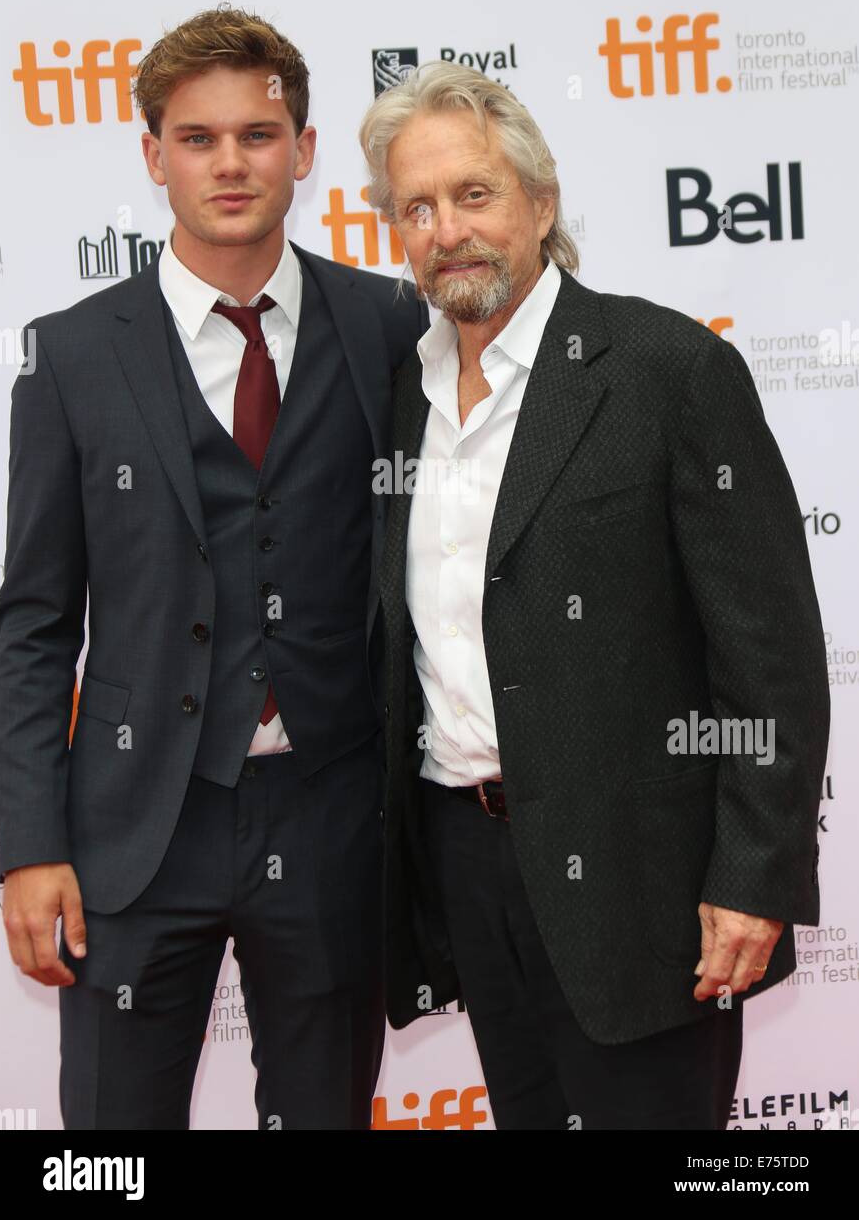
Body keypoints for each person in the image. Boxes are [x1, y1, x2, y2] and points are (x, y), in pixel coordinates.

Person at [359, 60, 829, 1130]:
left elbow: (768, 657)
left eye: (472, 194)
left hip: (643, 881)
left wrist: (754, 875)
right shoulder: (405, 396)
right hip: (468, 862)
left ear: (539, 199)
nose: (445, 229)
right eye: (414, 208)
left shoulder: (665, 370)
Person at [0, 5, 425, 1130]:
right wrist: (27, 844)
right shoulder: (72, 355)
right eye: (197, 138)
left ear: (305, 150)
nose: (230, 162)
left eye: (258, 134)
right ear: (152, 156)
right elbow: (35, 622)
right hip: (135, 826)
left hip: (329, 812)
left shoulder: (388, 323)